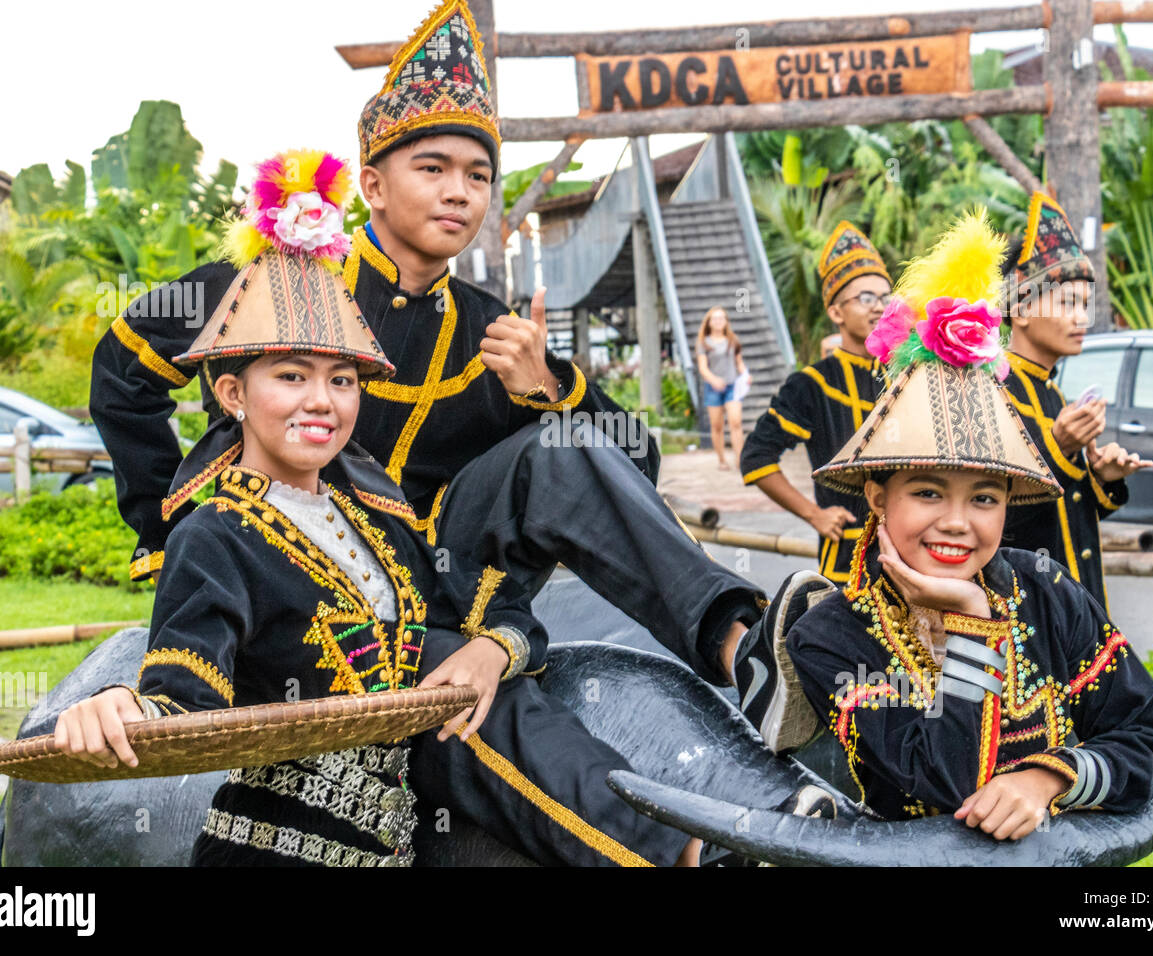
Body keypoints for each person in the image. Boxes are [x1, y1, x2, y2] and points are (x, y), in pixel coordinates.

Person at [90, 3, 763, 727]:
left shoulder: (494, 329)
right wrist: (173, 525)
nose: (458, 192)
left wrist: (552, 390)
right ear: (373, 186)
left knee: (560, 447)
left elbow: (635, 463)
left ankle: (743, 652)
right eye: (433, 167)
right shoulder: (276, 277)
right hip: (291, 570)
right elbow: (121, 373)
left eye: (477, 175)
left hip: (437, 588)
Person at [56, 153, 711, 866]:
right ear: (233, 395)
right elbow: (185, 696)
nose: (321, 400)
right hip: (275, 853)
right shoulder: (217, 533)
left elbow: (589, 494)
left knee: (466, 676)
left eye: (342, 379)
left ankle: (721, 720)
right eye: (289, 376)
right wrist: (127, 695)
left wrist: (493, 649)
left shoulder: (388, 516)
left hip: (393, 787)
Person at [779, 211, 1153, 835]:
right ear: (877, 497)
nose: (958, 523)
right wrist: (970, 617)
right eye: (929, 492)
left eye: (986, 498)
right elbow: (940, 781)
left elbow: (1149, 736)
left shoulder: (1046, 594)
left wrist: (1049, 778)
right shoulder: (831, 636)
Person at [1001, 192, 1152, 611]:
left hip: (1078, 610)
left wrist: (1103, 479)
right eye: (1067, 303)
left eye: (1085, 304)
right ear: (1021, 308)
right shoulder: (988, 391)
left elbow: (1067, 515)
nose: (1082, 318)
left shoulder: (1055, 395)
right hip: (1027, 616)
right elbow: (991, 519)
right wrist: (1058, 448)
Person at [740, 221, 892, 585]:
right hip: (846, 566)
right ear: (836, 312)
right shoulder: (812, 383)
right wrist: (814, 514)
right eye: (866, 298)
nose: (879, 308)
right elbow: (755, 457)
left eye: (886, 298)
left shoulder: (903, 377)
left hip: (908, 558)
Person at [695, 306, 747, 469]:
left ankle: (739, 458)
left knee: (735, 422)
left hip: (732, 386)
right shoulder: (703, 343)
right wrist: (714, 380)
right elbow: (703, 368)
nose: (718, 321)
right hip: (713, 388)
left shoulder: (733, 340)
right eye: (715, 319)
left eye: (721, 318)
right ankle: (722, 460)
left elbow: (739, 362)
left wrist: (746, 374)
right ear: (709, 323)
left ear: (726, 322)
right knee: (717, 426)